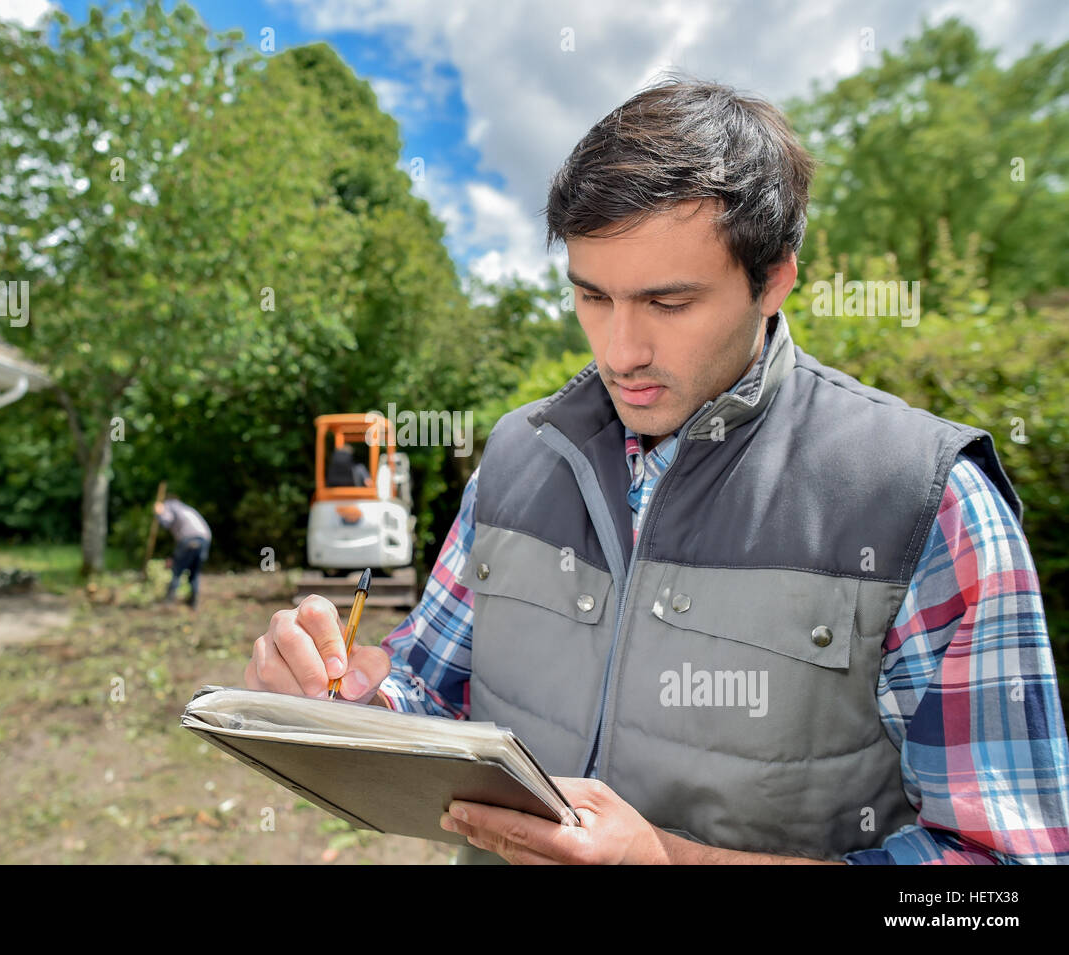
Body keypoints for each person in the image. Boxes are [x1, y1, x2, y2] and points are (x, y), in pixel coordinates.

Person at [243, 78, 1069, 865]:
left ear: (775, 277)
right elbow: (428, 687)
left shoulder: (927, 504)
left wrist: (665, 856)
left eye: (668, 304)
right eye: (591, 296)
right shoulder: (517, 455)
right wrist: (343, 695)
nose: (619, 351)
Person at [155, 494, 211, 610]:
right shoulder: (187, 509)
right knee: (194, 573)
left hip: (188, 539)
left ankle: (169, 603)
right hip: (205, 539)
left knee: (177, 571)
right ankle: (193, 603)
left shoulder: (169, 506)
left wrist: (159, 513)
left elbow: (166, 522)